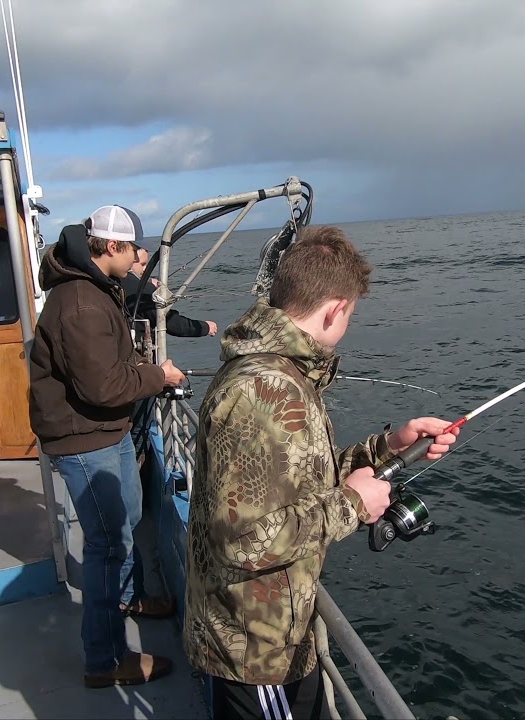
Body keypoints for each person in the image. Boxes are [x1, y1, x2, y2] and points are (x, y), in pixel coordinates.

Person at [183, 225, 460, 719]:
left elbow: (297, 476)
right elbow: (243, 541)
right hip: (257, 648)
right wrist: (353, 504)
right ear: (335, 309)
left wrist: (388, 447)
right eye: (350, 313)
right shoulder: (264, 390)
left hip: (275, 633)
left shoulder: (275, 373)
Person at [28, 204, 186, 689]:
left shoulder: (97, 289)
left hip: (107, 431)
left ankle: (128, 597)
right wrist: (158, 375)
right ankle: (105, 660)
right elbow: (102, 387)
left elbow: (113, 361)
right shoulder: (80, 303)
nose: (140, 255)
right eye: (135, 247)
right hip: (83, 438)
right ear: (112, 247)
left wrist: (142, 368)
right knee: (106, 544)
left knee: (130, 521)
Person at [122, 246, 218, 339]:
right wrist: (205, 327)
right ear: (131, 260)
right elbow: (170, 322)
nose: (145, 269)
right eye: (143, 264)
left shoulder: (117, 281)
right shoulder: (143, 290)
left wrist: (148, 282)